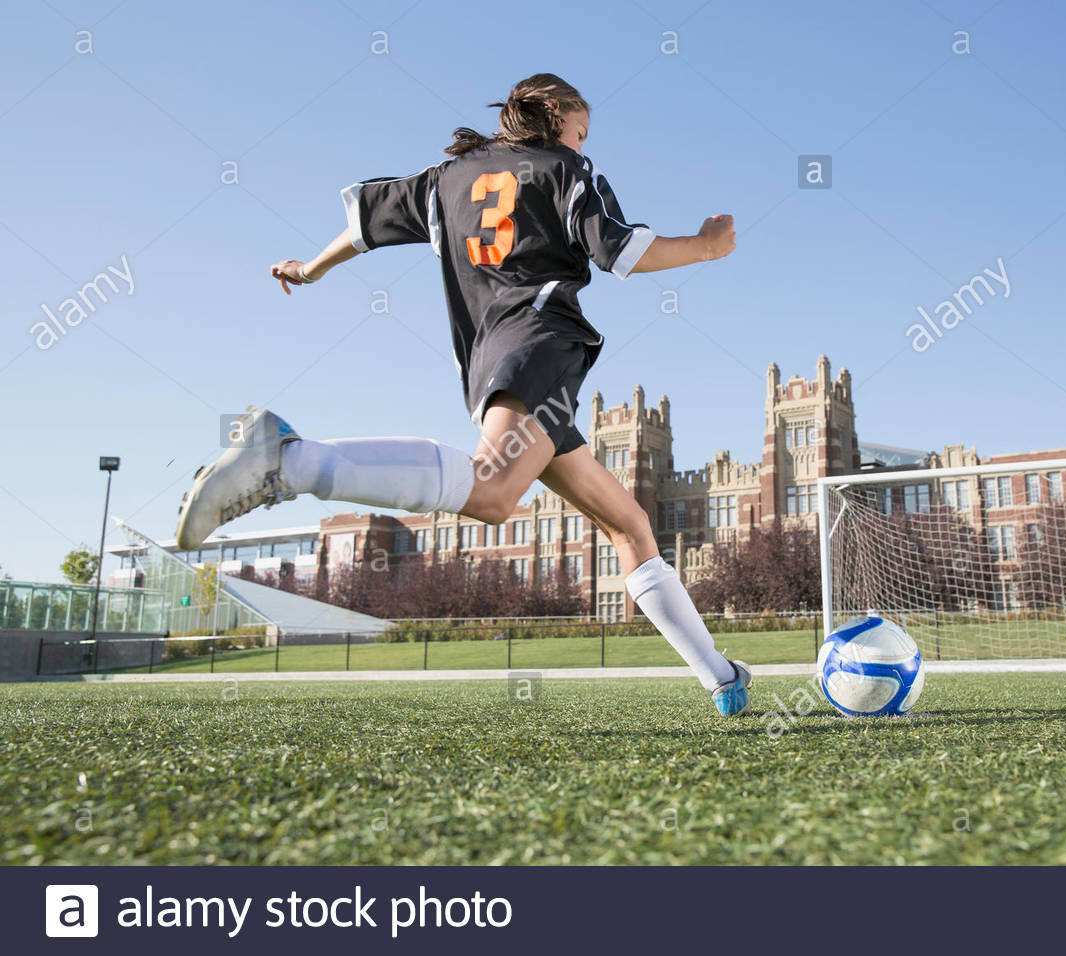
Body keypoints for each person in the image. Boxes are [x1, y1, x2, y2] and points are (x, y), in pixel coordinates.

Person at [174, 73, 752, 714]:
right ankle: (286, 460)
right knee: (495, 493)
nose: (584, 142)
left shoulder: (446, 178)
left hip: (489, 359)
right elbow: (619, 249)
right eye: (582, 129)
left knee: (630, 524)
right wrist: (704, 246)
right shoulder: (565, 168)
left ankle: (721, 676)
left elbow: (365, 228)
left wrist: (309, 268)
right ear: (557, 116)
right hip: (542, 341)